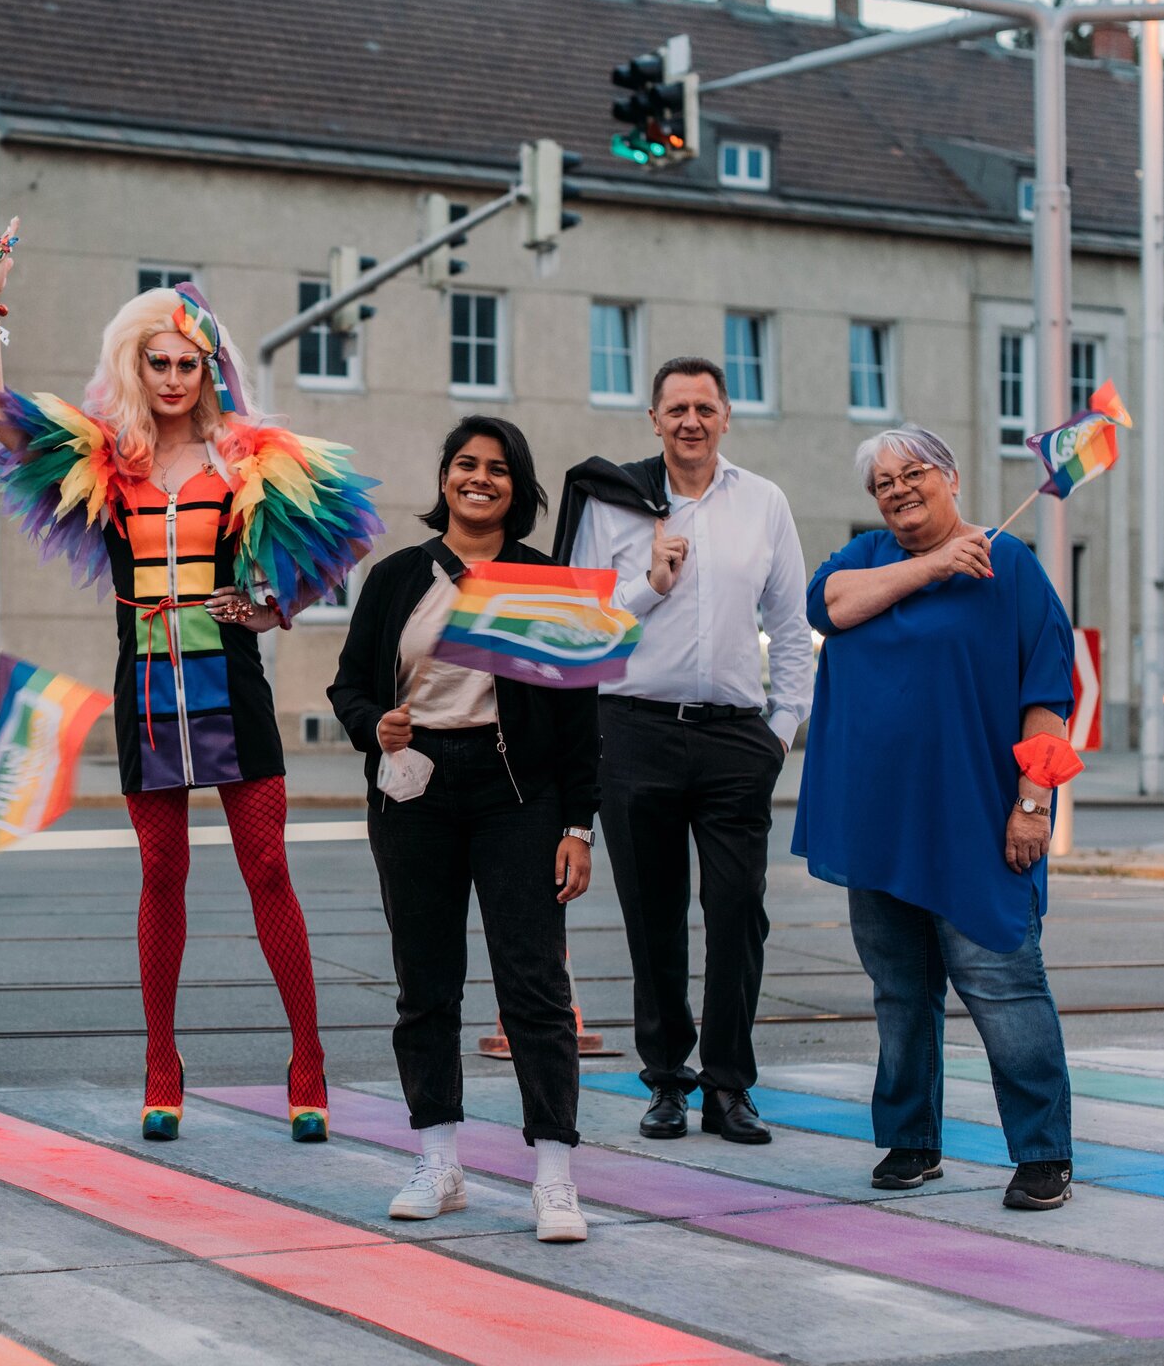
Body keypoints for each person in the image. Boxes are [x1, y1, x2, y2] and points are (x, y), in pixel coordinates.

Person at [0, 220, 380, 1142]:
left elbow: (343, 540)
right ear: (132, 365)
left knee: (269, 868)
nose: (169, 377)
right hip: (147, 687)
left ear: (208, 370)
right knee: (163, 872)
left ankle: (307, 1058)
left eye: (184, 363)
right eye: (153, 361)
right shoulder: (104, 461)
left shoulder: (250, 459)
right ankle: (162, 1061)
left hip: (232, 685)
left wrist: (271, 608)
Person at [329, 416, 599, 1243]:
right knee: (426, 986)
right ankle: (437, 1162)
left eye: (497, 469)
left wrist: (579, 826)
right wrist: (377, 725)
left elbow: (582, 715)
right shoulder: (397, 576)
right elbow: (348, 688)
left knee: (535, 990)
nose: (478, 479)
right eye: (464, 465)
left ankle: (554, 1175)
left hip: (518, 794)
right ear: (444, 475)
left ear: (518, 488)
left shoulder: (545, 580)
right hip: (416, 792)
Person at [794, 425, 1077, 1211]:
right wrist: (931, 565)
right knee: (900, 991)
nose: (899, 490)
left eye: (913, 472)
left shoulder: (1010, 566)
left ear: (950, 477)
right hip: (880, 824)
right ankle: (912, 1142)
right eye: (883, 483)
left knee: (1003, 985)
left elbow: (1048, 695)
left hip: (978, 820)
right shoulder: (861, 560)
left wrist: (1032, 805)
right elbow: (828, 608)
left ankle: (1043, 1150)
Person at [568, 356, 811, 1145]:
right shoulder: (612, 504)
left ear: (727, 415)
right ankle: (668, 1080)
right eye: (676, 408)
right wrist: (648, 582)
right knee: (654, 915)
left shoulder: (763, 503)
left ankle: (730, 1085)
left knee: (739, 914)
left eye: (705, 407)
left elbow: (794, 623)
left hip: (737, 737)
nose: (691, 421)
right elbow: (579, 627)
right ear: (654, 419)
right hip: (633, 729)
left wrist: (781, 729)